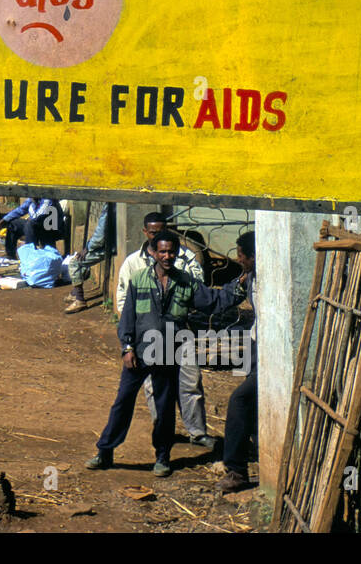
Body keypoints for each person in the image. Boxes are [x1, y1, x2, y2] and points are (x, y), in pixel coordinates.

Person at [87, 231, 248, 477]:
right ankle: (105, 451)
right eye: (161, 251)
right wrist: (127, 348)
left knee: (164, 409)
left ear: (176, 253)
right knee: (122, 403)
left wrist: (238, 286)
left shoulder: (186, 283)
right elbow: (128, 317)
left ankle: (162, 457)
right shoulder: (139, 280)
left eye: (171, 252)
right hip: (139, 352)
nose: (166, 256)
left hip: (167, 353)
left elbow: (214, 300)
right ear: (153, 252)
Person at [114, 211, 212, 447]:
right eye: (154, 233)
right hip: (148, 338)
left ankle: (197, 433)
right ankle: (163, 432)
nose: (160, 238)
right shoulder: (132, 264)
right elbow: (123, 303)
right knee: (154, 388)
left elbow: (198, 288)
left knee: (190, 381)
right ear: (146, 233)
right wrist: (133, 339)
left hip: (180, 332)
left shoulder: (184, 257)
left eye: (164, 231)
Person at [218, 233, 258, 493]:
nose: (237, 259)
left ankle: (236, 471)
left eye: (240, 255)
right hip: (256, 345)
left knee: (239, 400)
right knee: (251, 402)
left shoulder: (266, 278)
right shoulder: (249, 277)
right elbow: (225, 297)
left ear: (253, 256)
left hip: (268, 352)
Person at [65, 201, 115, 313]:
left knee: (75, 262)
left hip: (109, 247)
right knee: (80, 261)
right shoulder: (112, 204)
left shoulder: (109, 206)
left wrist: (87, 247)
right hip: (110, 243)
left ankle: (79, 299)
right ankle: (75, 292)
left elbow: (99, 237)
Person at [0, 197, 64, 258]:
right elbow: (20, 210)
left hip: (50, 231)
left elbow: (37, 217)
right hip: (37, 227)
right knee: (14, 224)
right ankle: (10, 256)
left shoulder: (47, 200)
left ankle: (30, 255)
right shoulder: (32, 199)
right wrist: (3, 221)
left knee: (30, 224)